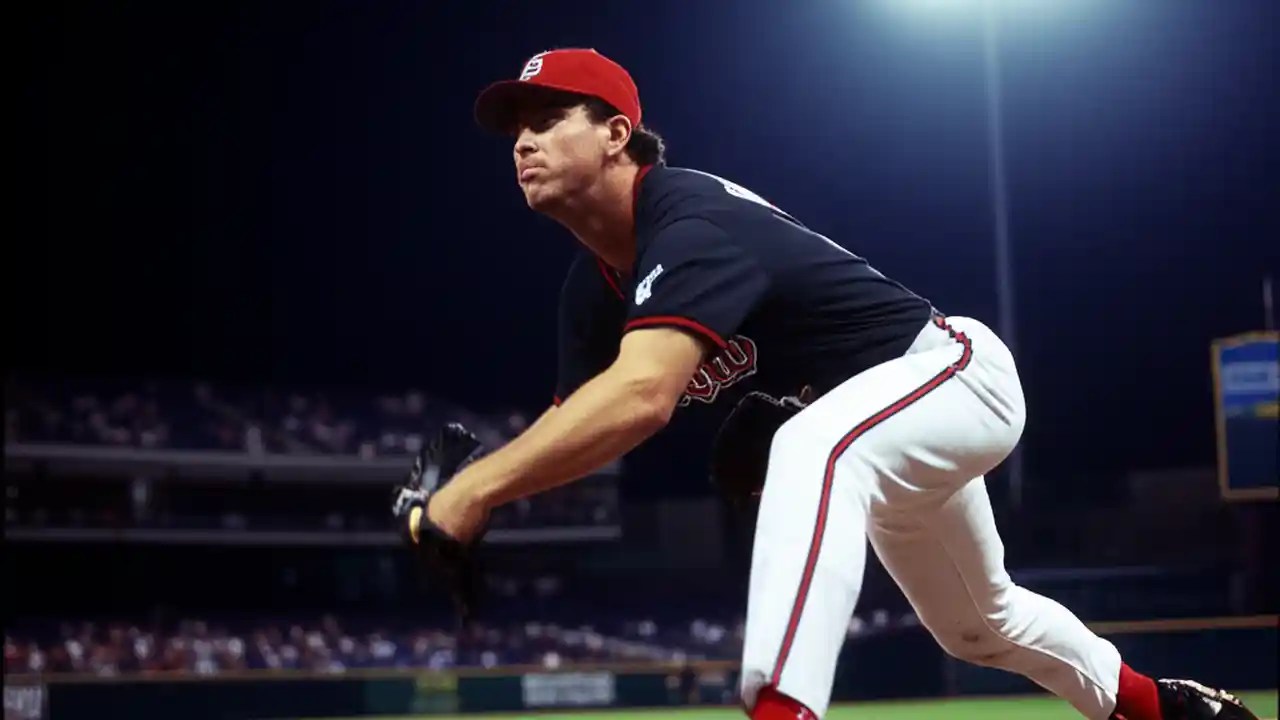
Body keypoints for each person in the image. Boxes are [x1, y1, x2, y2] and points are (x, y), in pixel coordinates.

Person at [412, 48, 1258, 720]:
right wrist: (470, 492)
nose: (522, 141)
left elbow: (641, 397)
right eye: (515, 128)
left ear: (617, 132)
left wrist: (476, 492)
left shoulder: (689, 219)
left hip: (947, 372)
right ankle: (1162, 709)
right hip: (881, 429)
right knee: (976, 622)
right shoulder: (590, 287)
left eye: (549, 118)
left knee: (810, 448)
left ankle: (783, 710)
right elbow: (582, 427)